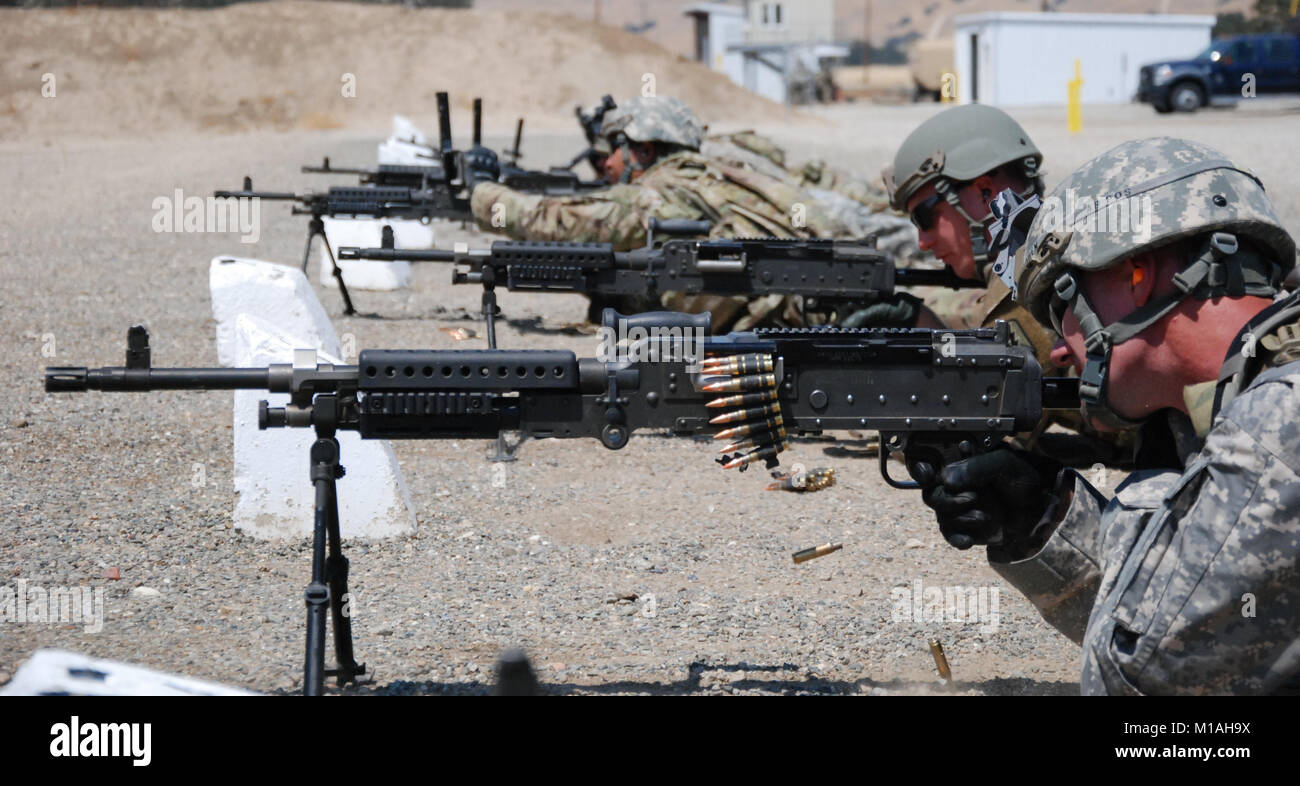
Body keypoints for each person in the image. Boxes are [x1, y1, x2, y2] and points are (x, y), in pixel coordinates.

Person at [908, 137, 1300, 694]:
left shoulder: (1278, 423)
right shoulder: (1254, 402)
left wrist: (1152, 484)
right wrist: (1047, 515)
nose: (1061, 348)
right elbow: (1205, 622)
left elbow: (1141, 677)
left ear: (1135, 275)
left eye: (1062, 306)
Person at [468, 96, 929, 330]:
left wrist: (480, 193)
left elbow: (552, 220)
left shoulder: (655, 194)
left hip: (807, 320)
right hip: (829, 300)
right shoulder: (717, 173)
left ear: (643, 149)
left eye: (611, 150)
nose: (605, 163)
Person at [883, 103, 1132, 465]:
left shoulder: (1027, 276)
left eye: (925, 217)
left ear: (985, 192)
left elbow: (964, 440)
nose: (922, 241)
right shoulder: (1061, 239)